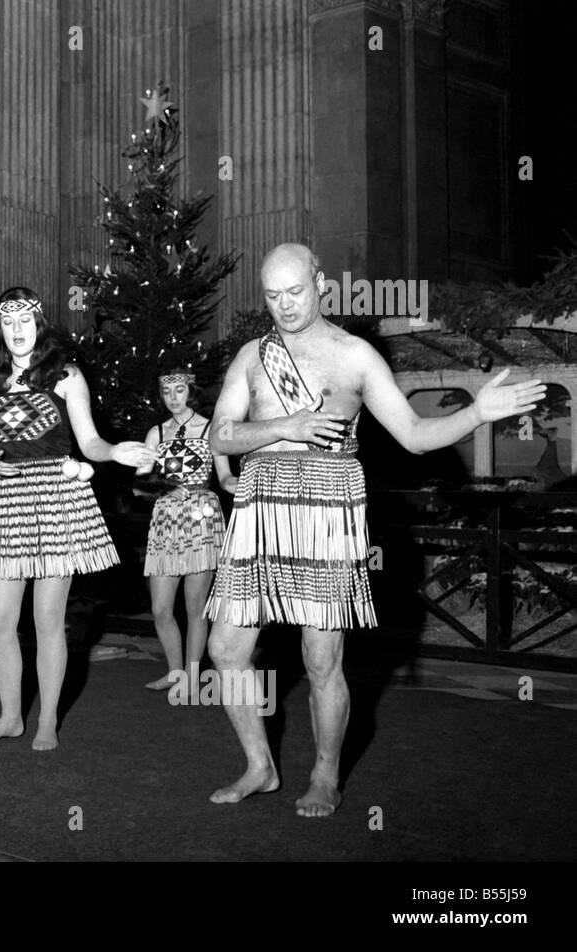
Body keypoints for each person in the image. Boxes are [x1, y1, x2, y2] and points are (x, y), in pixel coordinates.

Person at [204, 242, 544, 817]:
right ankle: (260, 765)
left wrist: (477, 415)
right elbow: (219, 437)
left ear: (319, 284)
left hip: (327, 513)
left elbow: (413, 433)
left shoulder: (355, 356)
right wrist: (288, 424)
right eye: (271, 295)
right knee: (225, 649)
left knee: (320, 660)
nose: (284, 306)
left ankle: (325, 775)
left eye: (295, 292)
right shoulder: (250, 357)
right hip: (260, 511)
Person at [0, 288, 148, 750]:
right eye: (8, 323)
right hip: (7, 500)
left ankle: (47, 719)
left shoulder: (66, 375)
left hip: (56, 496)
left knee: (48, 618)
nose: (17, 330)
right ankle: (10, 716)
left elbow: (89, 443)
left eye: (25, 320)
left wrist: (115, 451)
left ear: (40, 323)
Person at [135, 371, 237, 693]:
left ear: (190, 391)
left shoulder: (211, 428)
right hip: (165, 520)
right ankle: (175, 672)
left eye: (179, 390)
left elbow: (224, 477)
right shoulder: (156, 433)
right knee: (160, 608)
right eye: (167, 392)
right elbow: (139, 485)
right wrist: (163, 488)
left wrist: (245, 485)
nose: (173, 397)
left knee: (195, 607)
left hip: (201, 520)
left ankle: (191, 678)